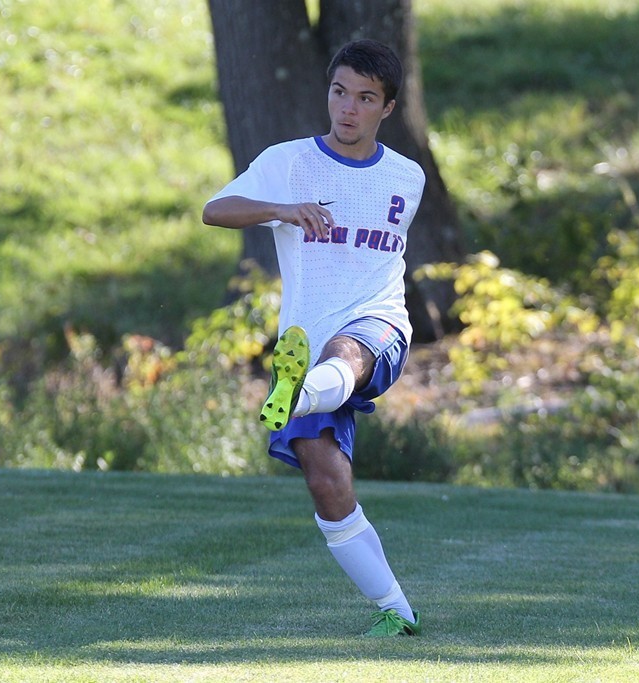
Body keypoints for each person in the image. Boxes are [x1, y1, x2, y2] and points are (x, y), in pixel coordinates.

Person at [202, 39, 424, 637]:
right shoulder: (290, 160)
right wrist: (282, 208)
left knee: (345, 350)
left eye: (365, 98)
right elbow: (214, 210)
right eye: (339, 92)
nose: (348, 108)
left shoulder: (408, 177)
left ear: (388, 107)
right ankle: (397, 613)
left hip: (378, 326)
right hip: (305, 339)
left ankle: (296, 394)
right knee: (326, 482)